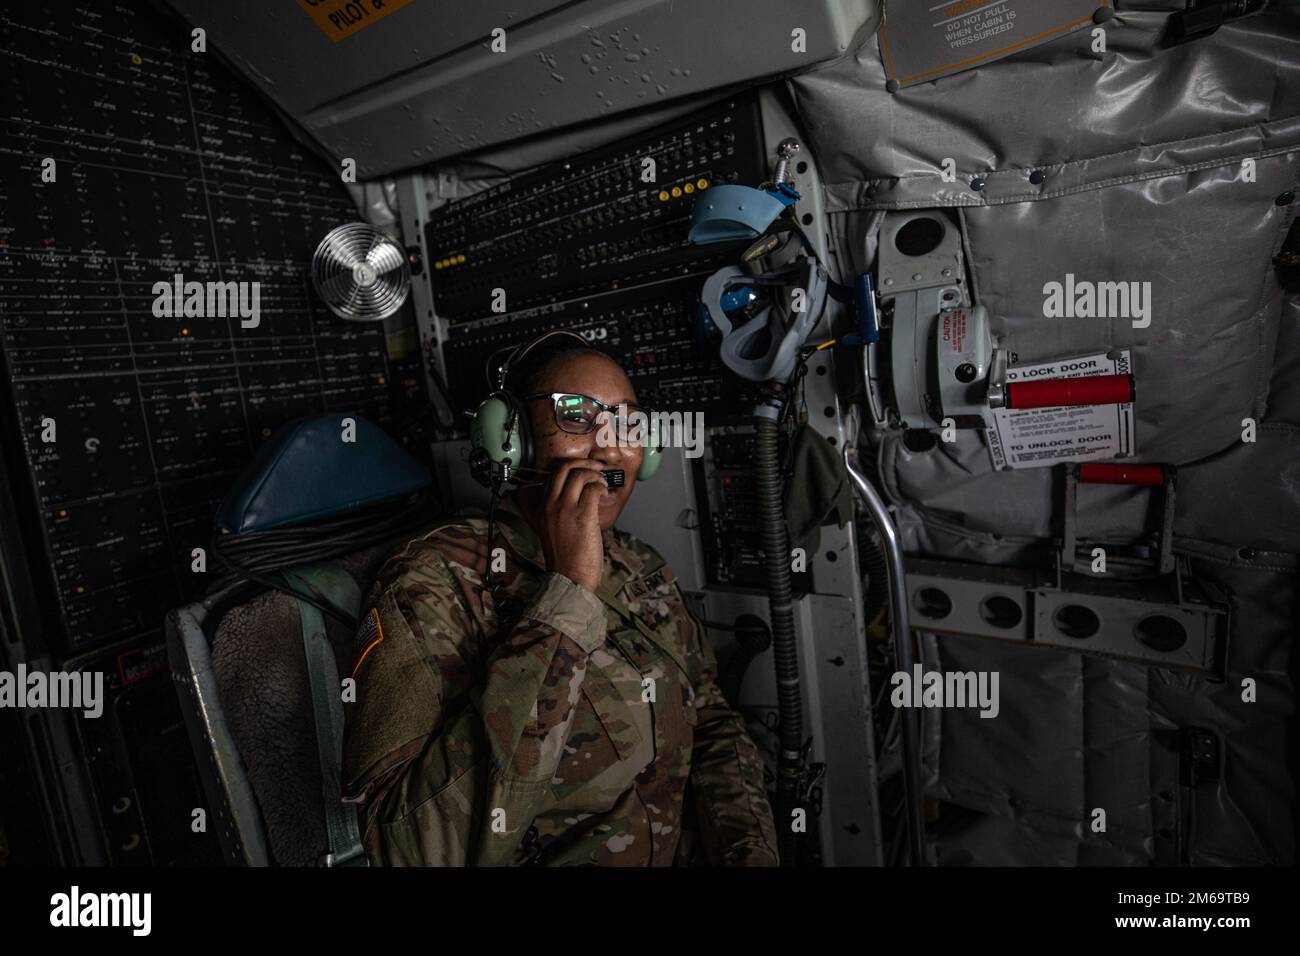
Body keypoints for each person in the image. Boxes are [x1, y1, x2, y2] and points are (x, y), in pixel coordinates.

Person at [341, 331, 780, 866]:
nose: (610, 446)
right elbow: (409, 849)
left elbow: (710, 715)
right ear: (511, 438)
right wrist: (568, 590)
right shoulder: (430, 583)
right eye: (576, 417)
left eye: (628, 422)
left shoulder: (640, 564)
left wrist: (748, 850)